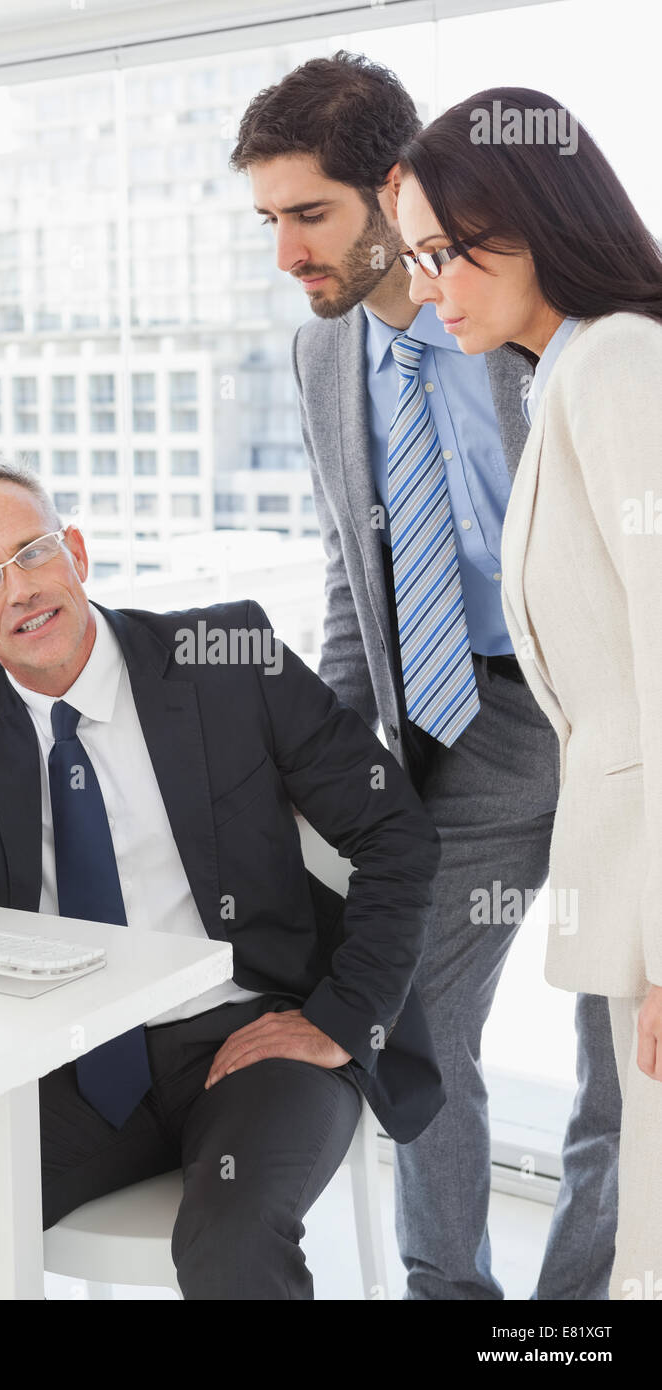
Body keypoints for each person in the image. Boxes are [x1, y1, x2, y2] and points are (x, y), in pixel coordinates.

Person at [0, 460, 444, 1301]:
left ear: (78, 554)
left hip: (254, 1031)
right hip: (72, 1063)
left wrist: (340, 1021)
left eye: (34, 552)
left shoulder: (227, 655)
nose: (18, 589)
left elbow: (395, 833)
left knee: (231, 1242)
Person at [230, 52, 621, 1300]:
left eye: (309, 215)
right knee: (415, 1021)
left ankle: (579, 1309)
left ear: (392, 193)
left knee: (618, 1038)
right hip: (473, 725)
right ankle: (446, 1294)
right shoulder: (321, 357)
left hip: (615, 711)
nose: (287, 255)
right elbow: (354, 578)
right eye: (268, 222)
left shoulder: (552, 325)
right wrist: (344, 769)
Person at [395, 85, 662, 1301]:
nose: (426, 287)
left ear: (537, 217)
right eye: (412, 259)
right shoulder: (557, 373)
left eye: (446, 253)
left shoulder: (615, 364)